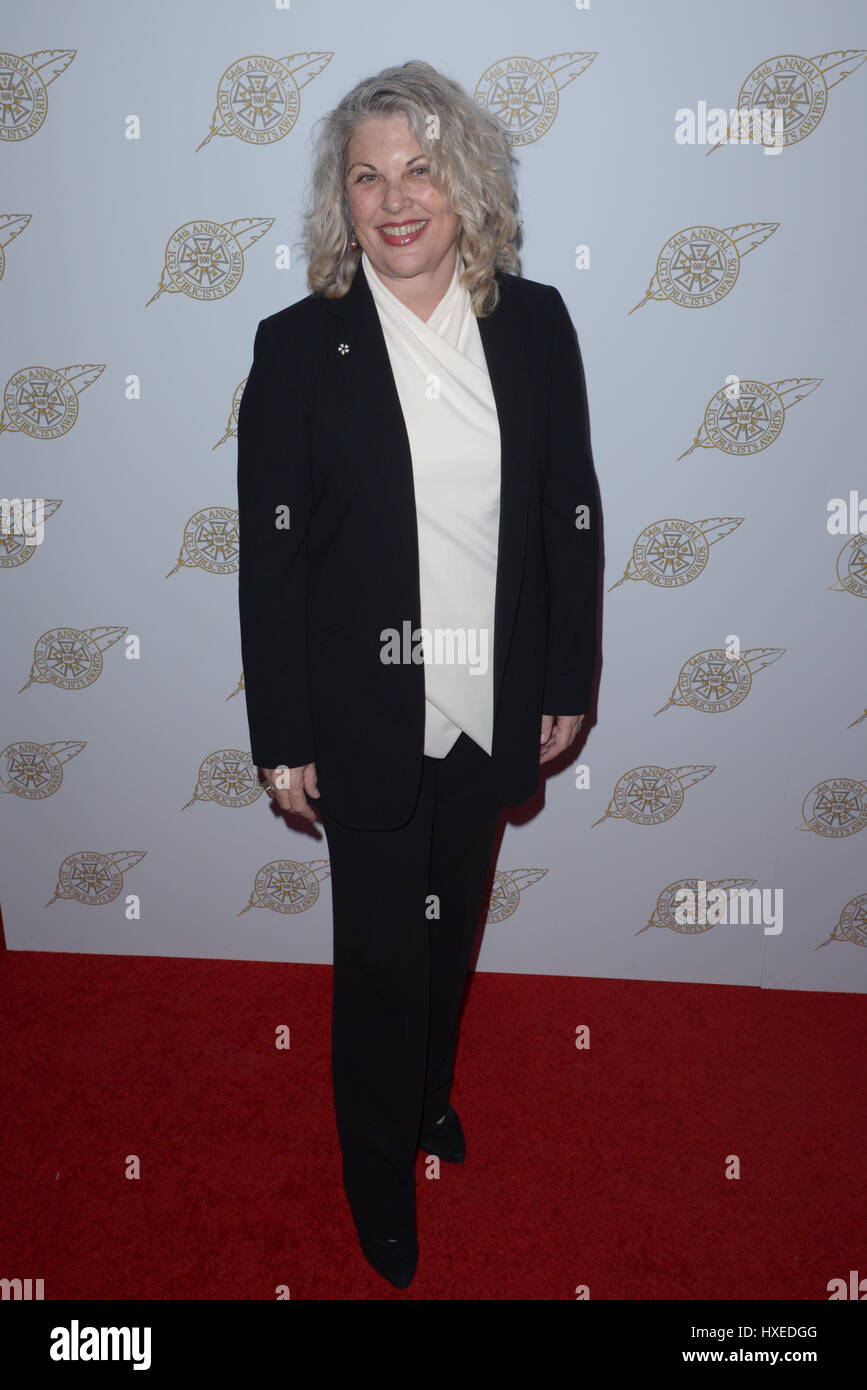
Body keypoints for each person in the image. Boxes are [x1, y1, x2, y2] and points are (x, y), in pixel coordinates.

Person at [236, 59, 600, 1290]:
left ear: (466, 183)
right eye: (367, 177)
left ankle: (428, 1093)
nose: (396, 201)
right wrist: (284, 733)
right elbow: (271, 561)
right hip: (366, 710)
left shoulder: (535, 322)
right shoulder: (294, 350)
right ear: (342, 200)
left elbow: (567, 512)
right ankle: (375, 1167)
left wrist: (565, 677)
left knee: (447, 939)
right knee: (383, 956)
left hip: (487, 697)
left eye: (420, 170)